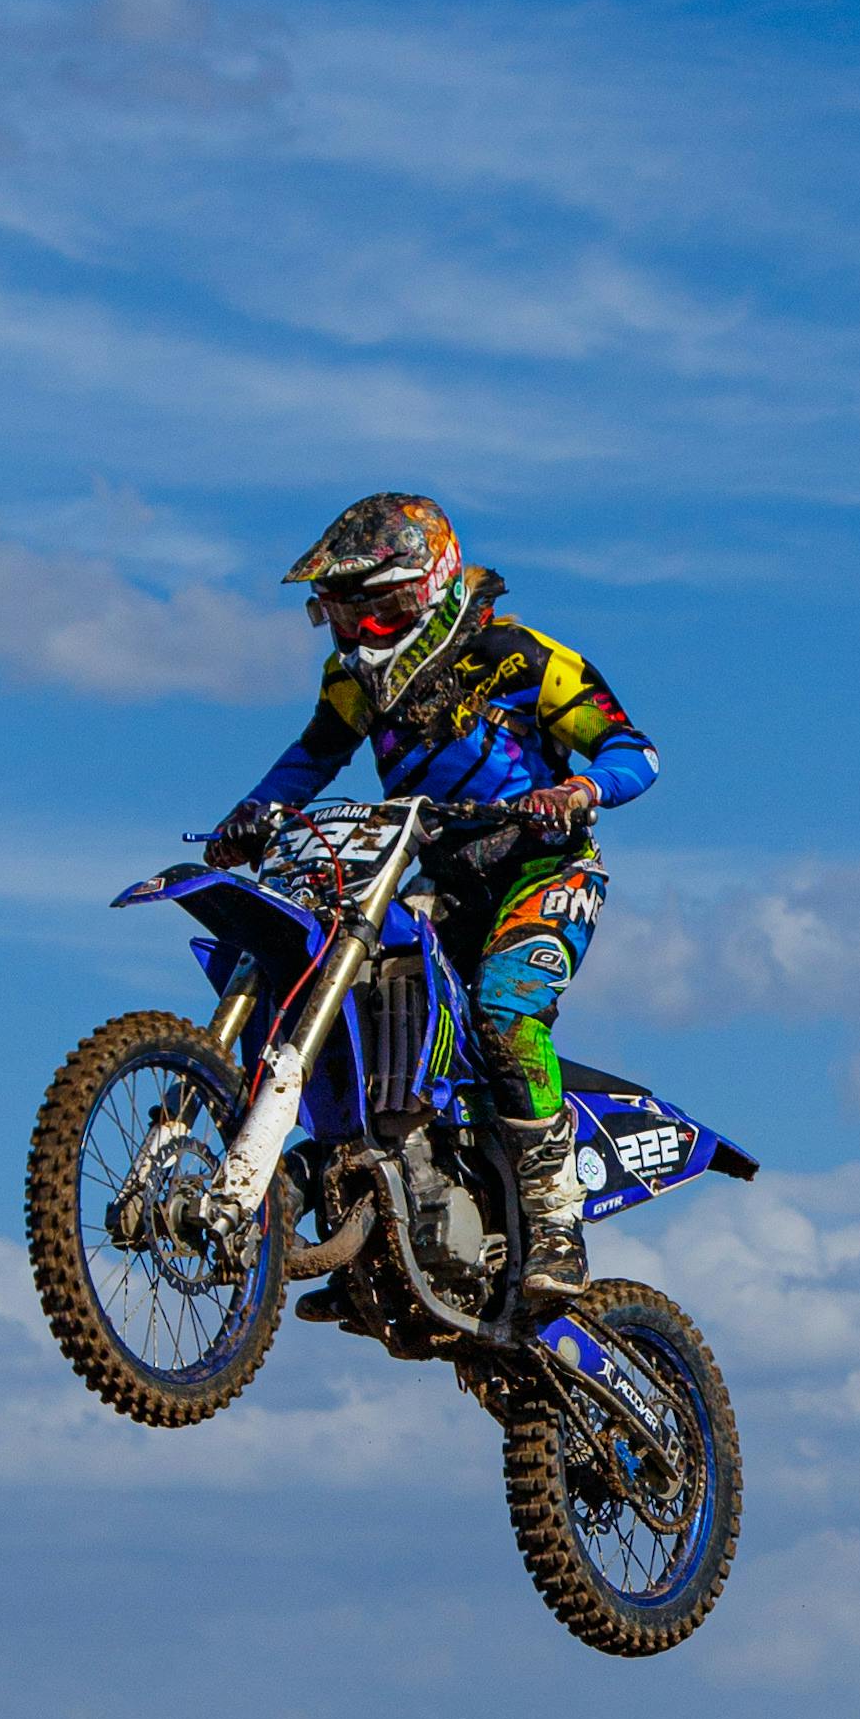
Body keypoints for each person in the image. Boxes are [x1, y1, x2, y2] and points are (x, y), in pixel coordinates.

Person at [205, 493, 659, 1303]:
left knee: (504, 1012)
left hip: (540, 870)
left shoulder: (518, 656)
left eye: (373, 612)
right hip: (433, 879)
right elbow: (311, 757)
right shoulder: (351, 679)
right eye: (338, 613)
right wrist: (250, 815)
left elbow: (636, 750)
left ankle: (555, 1224)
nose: (355, 632)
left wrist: (581, 788)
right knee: (367, 1009)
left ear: (427, 590)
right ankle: (374, 1220)